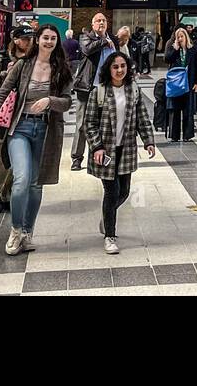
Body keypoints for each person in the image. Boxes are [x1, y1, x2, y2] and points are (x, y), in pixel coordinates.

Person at [0, 25, 72, 255]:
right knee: (21, 179)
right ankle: (16, 230)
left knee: (36, 183)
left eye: (53, 38)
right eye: (45, 38)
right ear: (38, 40)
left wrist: (50, 101)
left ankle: (28, 233)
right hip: (19, 127)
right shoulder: (23, 66)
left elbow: (67, 102)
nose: (49, 42)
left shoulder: (61, 68)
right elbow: (3, 92)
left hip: (46, 130)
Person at [85, 50, 156, 254]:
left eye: (123, 66)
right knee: (112, 191)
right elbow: (89, 123)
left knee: (124, 191)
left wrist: (148, 140)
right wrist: (96, 146)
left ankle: (107, 217)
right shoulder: (98, 92)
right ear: (109, 68)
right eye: (115, 66)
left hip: (126, 149)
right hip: (105, 150)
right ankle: (110, 236)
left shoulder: (133, 90)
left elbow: (142, 117)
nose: (119, 70)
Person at [0, 32, 32, 213]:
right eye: (25, 39)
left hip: (21, 115)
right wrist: (7, 73)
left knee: (17, 157)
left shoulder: (31, 59)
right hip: (2, 115)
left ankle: (7, 194)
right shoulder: (2, 58)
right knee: (3, 157)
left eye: (30, 39)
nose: (28, 42)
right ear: (16, 40)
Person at [70, 12, 113, 169]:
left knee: (103, 124)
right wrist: (103, 41)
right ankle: (76, 158)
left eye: (104, 20)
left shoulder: (111, 39)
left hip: (106, 88)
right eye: (98, 21)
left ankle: (98, 155)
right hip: (87, 88)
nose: (101, 23)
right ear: (93, 24)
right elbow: (87, 50)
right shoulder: (86, 37)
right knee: (81, 124)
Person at [165, 28, 197, 142]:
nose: (180, 39)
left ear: (186, 37)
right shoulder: (174, 49)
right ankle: (174, 135)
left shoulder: (192, 50)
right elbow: (167, 59)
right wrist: (175, 49)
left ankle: (187, 134)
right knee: (175, 110)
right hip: (176, 84)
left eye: (182, 36)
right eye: (178, 37)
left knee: (188, 110)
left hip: (189, 83)